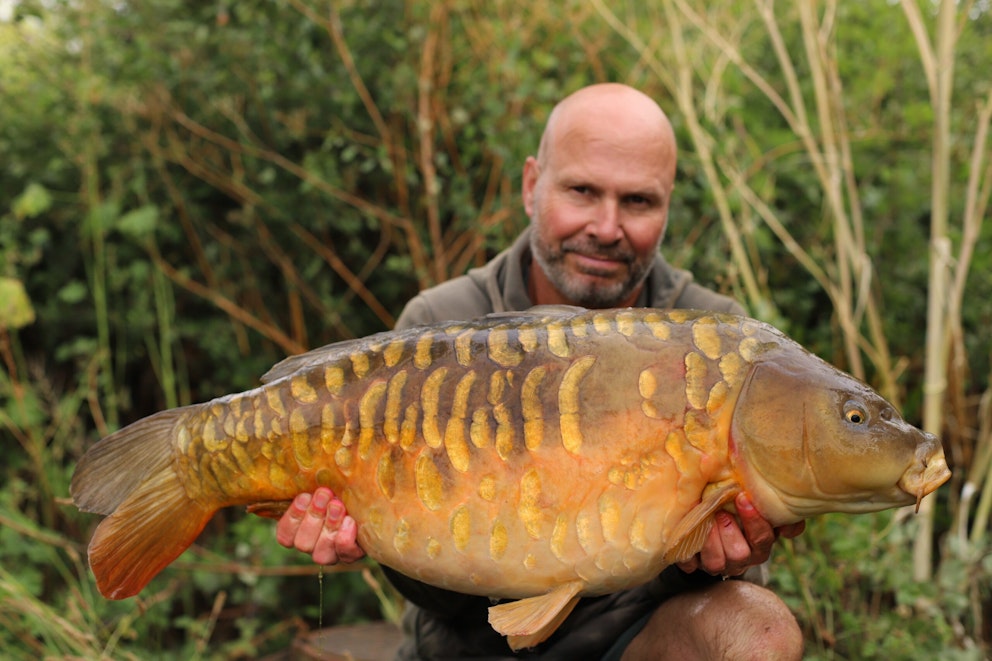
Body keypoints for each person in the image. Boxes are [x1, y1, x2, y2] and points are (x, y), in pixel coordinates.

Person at [276, 83, 806, 660]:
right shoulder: (440, 323)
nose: (607, 227)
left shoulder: (718, 345)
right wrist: (365, 529)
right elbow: (436, 601)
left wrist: (715, 557)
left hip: (640, 636)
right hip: (467, 646)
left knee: (760, 632)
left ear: (667, 206)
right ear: (532, 185)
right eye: (582, 191)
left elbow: (737, 564)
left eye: (638, 201)